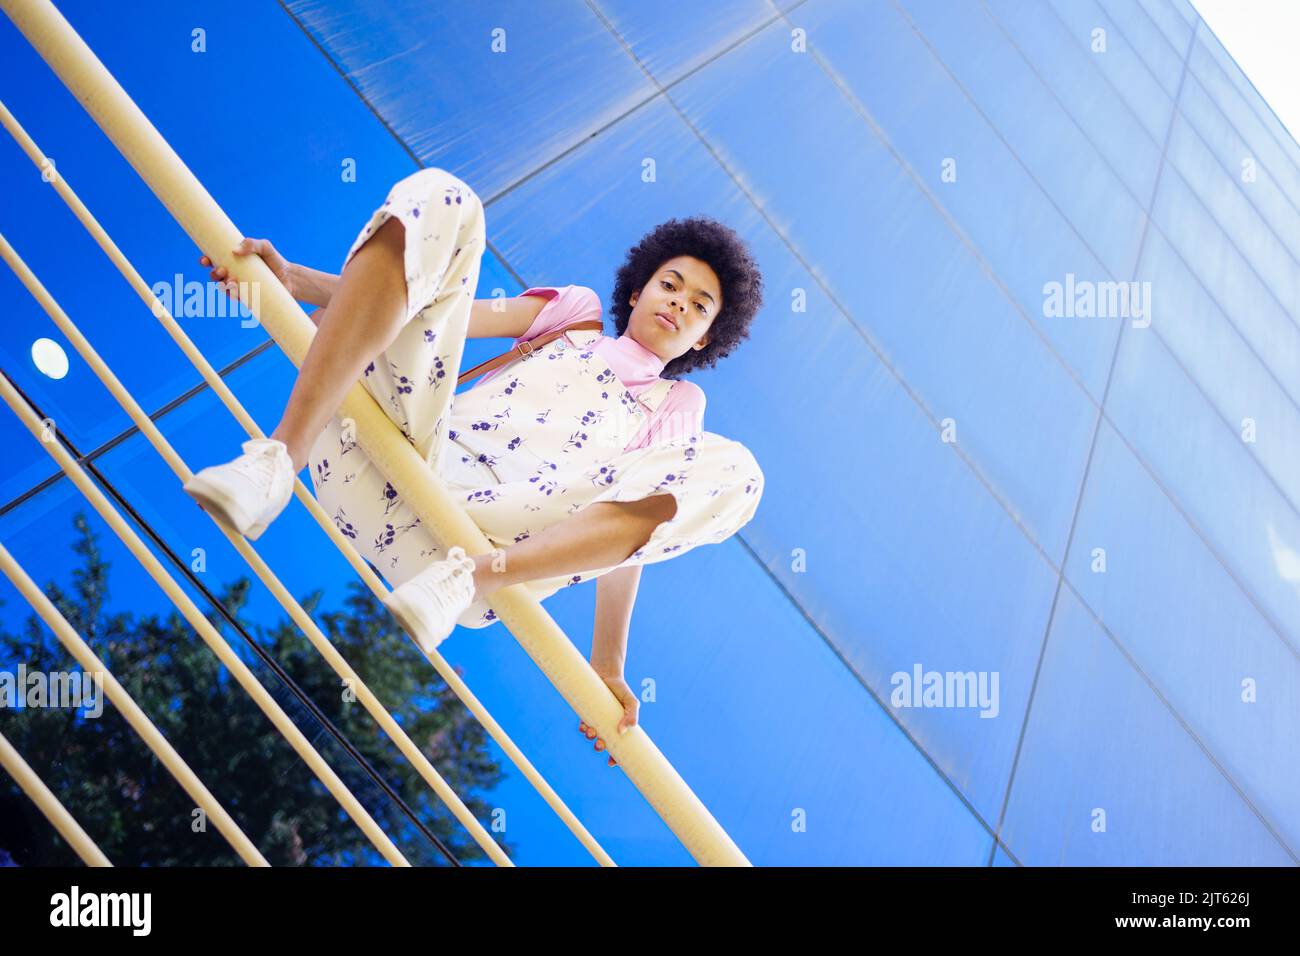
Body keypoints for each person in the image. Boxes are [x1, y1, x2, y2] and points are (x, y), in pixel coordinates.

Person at [184, 167, 765, 765]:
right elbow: (437, 305)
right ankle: (278, 459)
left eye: (699, 307)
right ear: (638, 289)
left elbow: (635, 535)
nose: (678, 303)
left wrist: (607, 668)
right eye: (671, 284)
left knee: (741, 474)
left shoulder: (675, 406)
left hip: (476, 553)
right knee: (449, 198)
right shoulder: (576, 314)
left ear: (703, 340)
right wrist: (294, 282)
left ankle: (476, 576)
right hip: (396, 456)